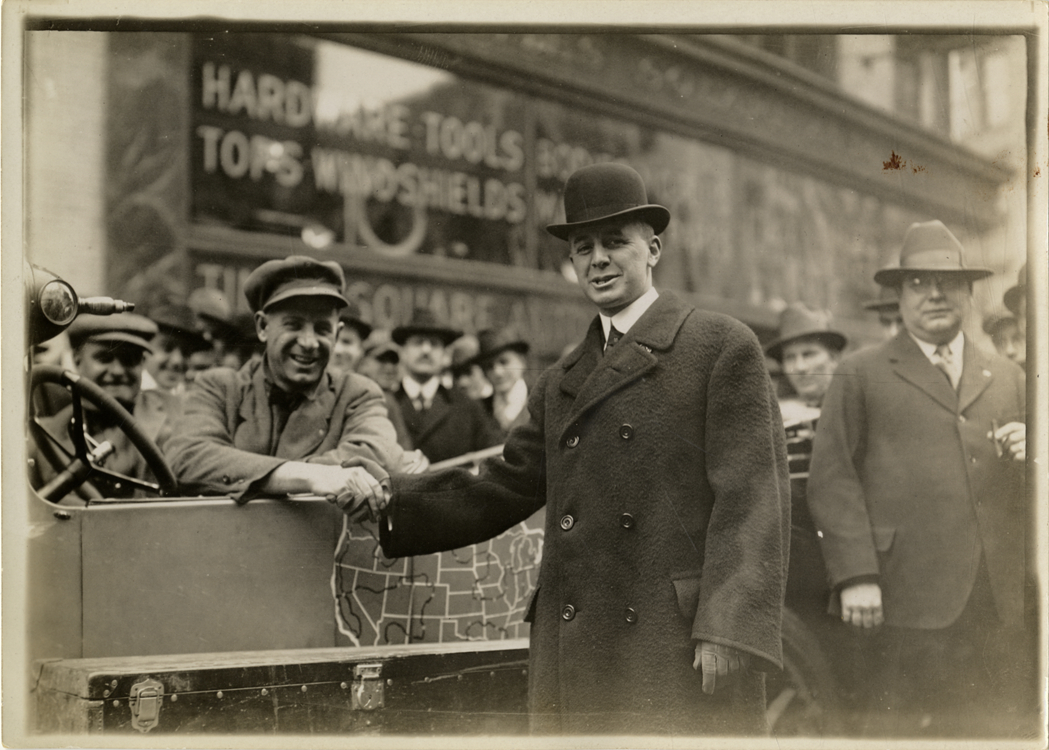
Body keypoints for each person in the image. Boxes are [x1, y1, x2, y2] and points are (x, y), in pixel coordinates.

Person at [367, 163, 791, 735]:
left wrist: (728, 624)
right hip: (578, 641)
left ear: (654, 249)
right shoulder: (562, 377)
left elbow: (753, 499)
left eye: (616, 242)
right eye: (582, 247)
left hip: (676, 641)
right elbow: (506, 483)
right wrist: (389, 501)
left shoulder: (719, 346)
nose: (597, 260)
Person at [807, 220, 1028, 737]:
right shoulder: (860, 373)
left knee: (994, 735)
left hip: (995, 605)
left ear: (970, 293)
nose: (935, 294)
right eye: (918, 283)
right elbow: (832, 478)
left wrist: (1031, 456)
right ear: (899, 294)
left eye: (948, 282)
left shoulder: (1010, 376)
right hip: (901, 602)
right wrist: (856, 575)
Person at [164, 256, 425, 510]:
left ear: (337, 333)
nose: (309, 342)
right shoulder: (220, 387)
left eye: (322, 328)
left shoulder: (358, 394)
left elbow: (378, 455)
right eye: (294, 325)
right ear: (263, 327)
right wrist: (309, 476)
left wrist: (252, 472)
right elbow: (188, 457)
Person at [29, 314, 174, 498]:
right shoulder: (45, 435)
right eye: (104, 358)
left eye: (129, 360)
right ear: (77, 360)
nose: (117, 371)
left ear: (142, 364)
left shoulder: (174, 415)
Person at [391, 309, 500, 463]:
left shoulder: (468, 408)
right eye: (418, 342)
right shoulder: (384, 404)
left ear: (444, 354)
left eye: (434, 344)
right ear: (403, 351)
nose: (426, 350)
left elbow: (492, 460)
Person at [765, 302, 847, 425]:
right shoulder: (778, 415)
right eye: (790, 357)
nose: (800, 367)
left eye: (809, 354)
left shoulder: (857, 405)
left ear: (833, 358)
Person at [470, 328, 532, 439]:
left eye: (504, 362)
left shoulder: (541, 398)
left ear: (522, 361)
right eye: (489, 366)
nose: (497, 372)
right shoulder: (481, 410)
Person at [143, 304, 212, 396]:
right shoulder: (132, 400)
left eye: (186, 352)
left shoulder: (187, 399)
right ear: (144, 348)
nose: (177, 361)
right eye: (167, 348)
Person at [330, 302, 372, 376]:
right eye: (331, 340)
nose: (337, 350)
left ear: (361, 349)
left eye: (347, 342)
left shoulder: (368, 387)